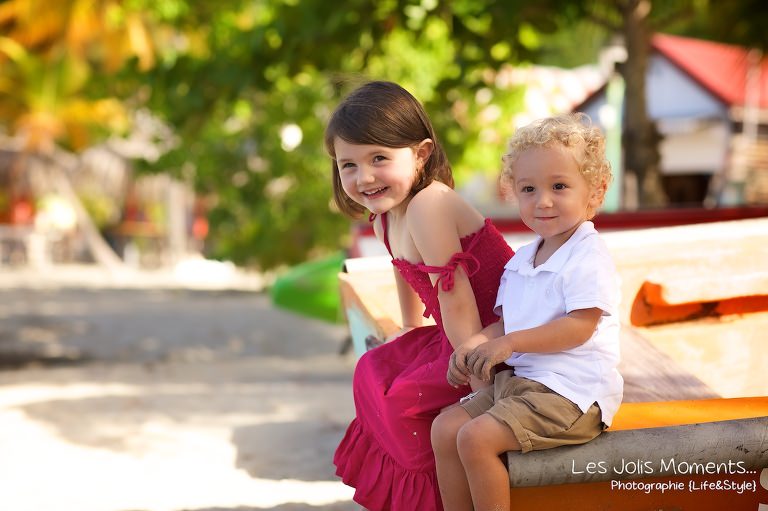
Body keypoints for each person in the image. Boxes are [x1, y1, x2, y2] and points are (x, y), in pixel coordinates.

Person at [327, 81, 514, 511]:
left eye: (379, 158)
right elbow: (403, 270)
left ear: (422, 153)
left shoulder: (430, 204)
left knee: (402, 399)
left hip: (498, 335)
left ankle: (433, 499)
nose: (365, 177)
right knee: (372, 368)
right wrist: (409, 327)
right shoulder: (384, 218)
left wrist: (476, 378)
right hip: (458, 334)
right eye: (348, 165)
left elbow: (457, 296)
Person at [431, 113, 623, 511]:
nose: (543, 200)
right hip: (524, 386)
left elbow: (579, 327)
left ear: (596, 191)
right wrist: (473, 345)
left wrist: (510, 343)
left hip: (573, 394)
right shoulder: (521, 260)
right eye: (529, 189)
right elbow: (506, 322)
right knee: (445, 428)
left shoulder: (587, 257)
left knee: (476, 438)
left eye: (559, 186)